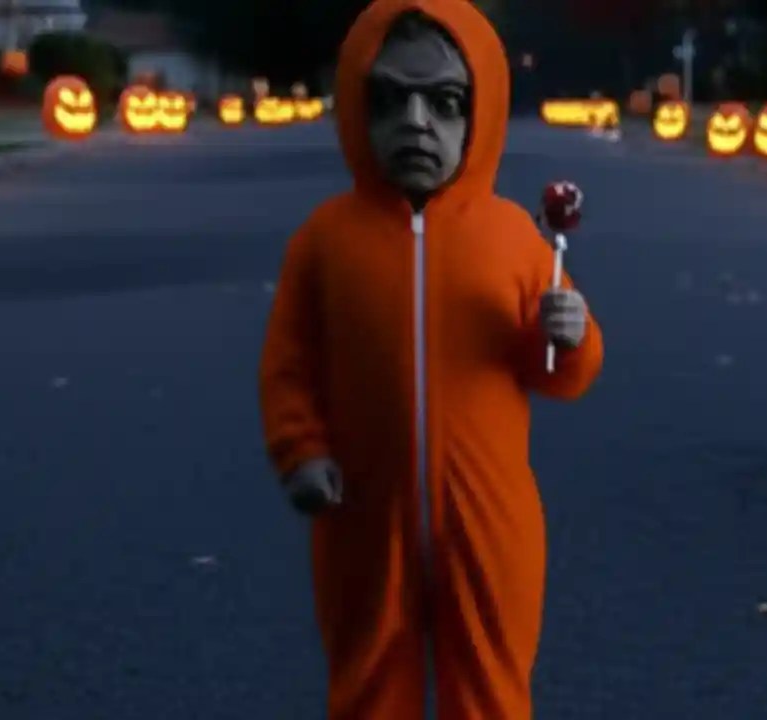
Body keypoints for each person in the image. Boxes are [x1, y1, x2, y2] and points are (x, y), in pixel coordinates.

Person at [258, 1, 604, 717]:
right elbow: (289, 362)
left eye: (445, 102)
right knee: (367, 677)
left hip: (490, 518)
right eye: (389, 100)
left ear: (482, 113)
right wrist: (300, 450)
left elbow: (561, 374)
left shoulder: (514, 237)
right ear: (356, 107)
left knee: (490, 681)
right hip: (361, 515)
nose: (416, 123)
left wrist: (570, 336)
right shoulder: (325, 241)